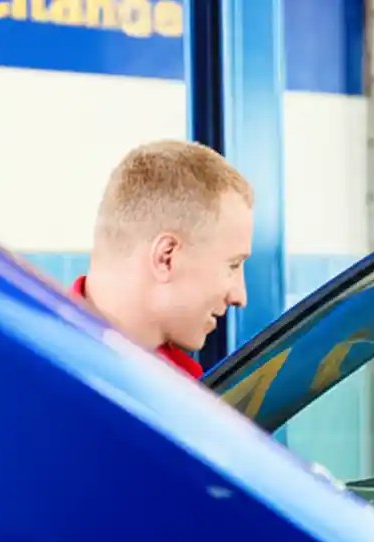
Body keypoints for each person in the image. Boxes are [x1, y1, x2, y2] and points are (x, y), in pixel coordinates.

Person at [69, 139, 253, 379]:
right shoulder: (38, 376)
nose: (240, 297)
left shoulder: (183, 385)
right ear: (166, 257)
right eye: (233, 265)